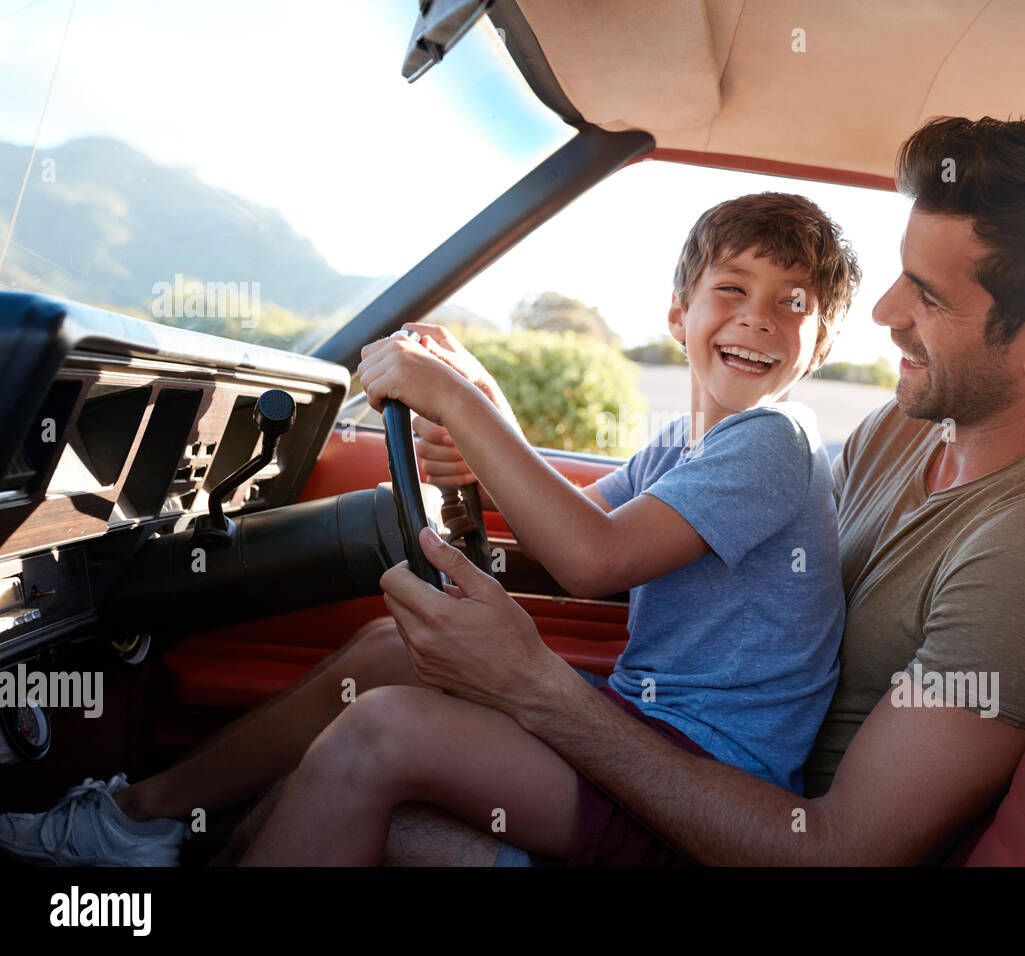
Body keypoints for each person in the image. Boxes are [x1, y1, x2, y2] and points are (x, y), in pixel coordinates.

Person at [0, 193, 861, 867]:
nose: (758, 319)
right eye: (733, 290)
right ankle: (139, 820)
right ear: (680, 316)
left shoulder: (774, 442)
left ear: (817, 346)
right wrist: (485, 445)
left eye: (793, 305)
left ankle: (153, 829)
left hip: (697, 780)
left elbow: (592, 562)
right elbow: (574, 526)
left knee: (385, 731)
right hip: (640, 723)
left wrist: (455, 400)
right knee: (390, 647)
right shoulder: (684, 442)